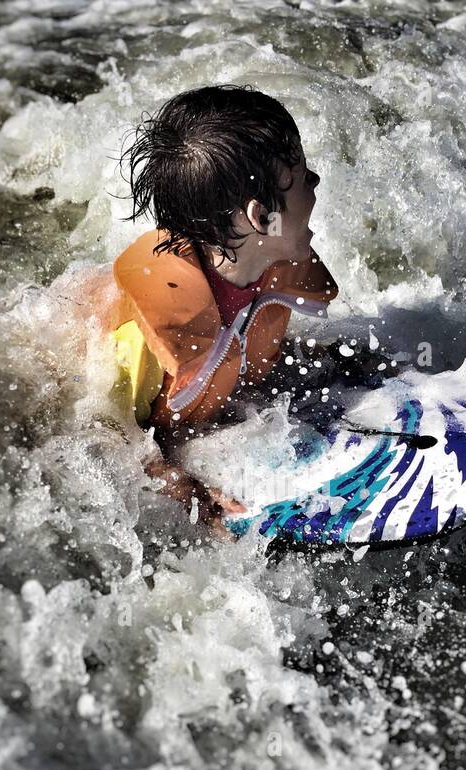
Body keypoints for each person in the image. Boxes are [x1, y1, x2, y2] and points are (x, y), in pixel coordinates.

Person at [110, 84, 338, 531]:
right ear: (261, 218)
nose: (315, 182)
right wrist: (182, 487)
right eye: (303, 173)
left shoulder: (267, 276)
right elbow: (106, 430)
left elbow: (245, 356)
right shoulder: (144, 338)